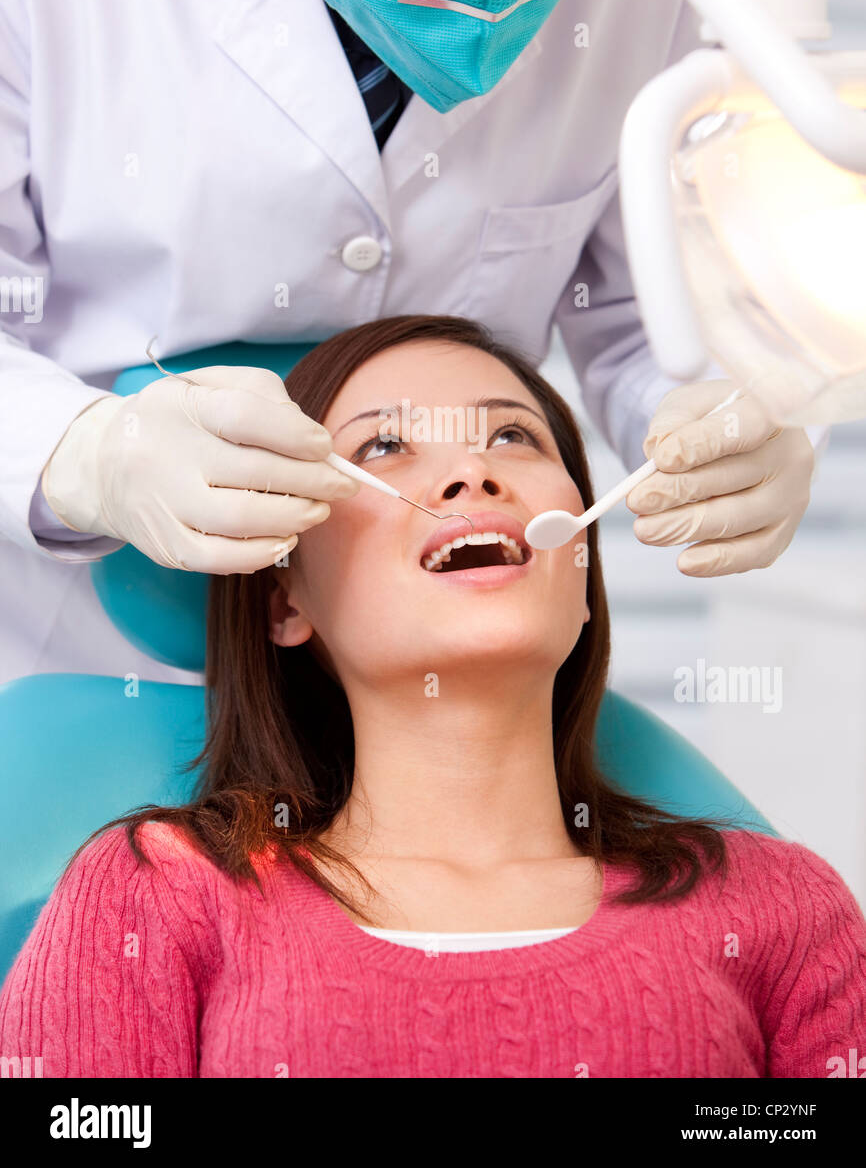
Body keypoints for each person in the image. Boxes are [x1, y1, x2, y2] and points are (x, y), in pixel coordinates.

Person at [0, 0, 817, 689]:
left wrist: (725, 417)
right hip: (61, 648)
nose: (481, 8)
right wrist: (84, 455)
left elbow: (644, 307)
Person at [0, 315, 861, 1078]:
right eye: (384, 447)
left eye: (517, 438)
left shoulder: (782, 907)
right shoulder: (153, 898)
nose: (473, 476)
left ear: (586, 568)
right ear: (286, 599)